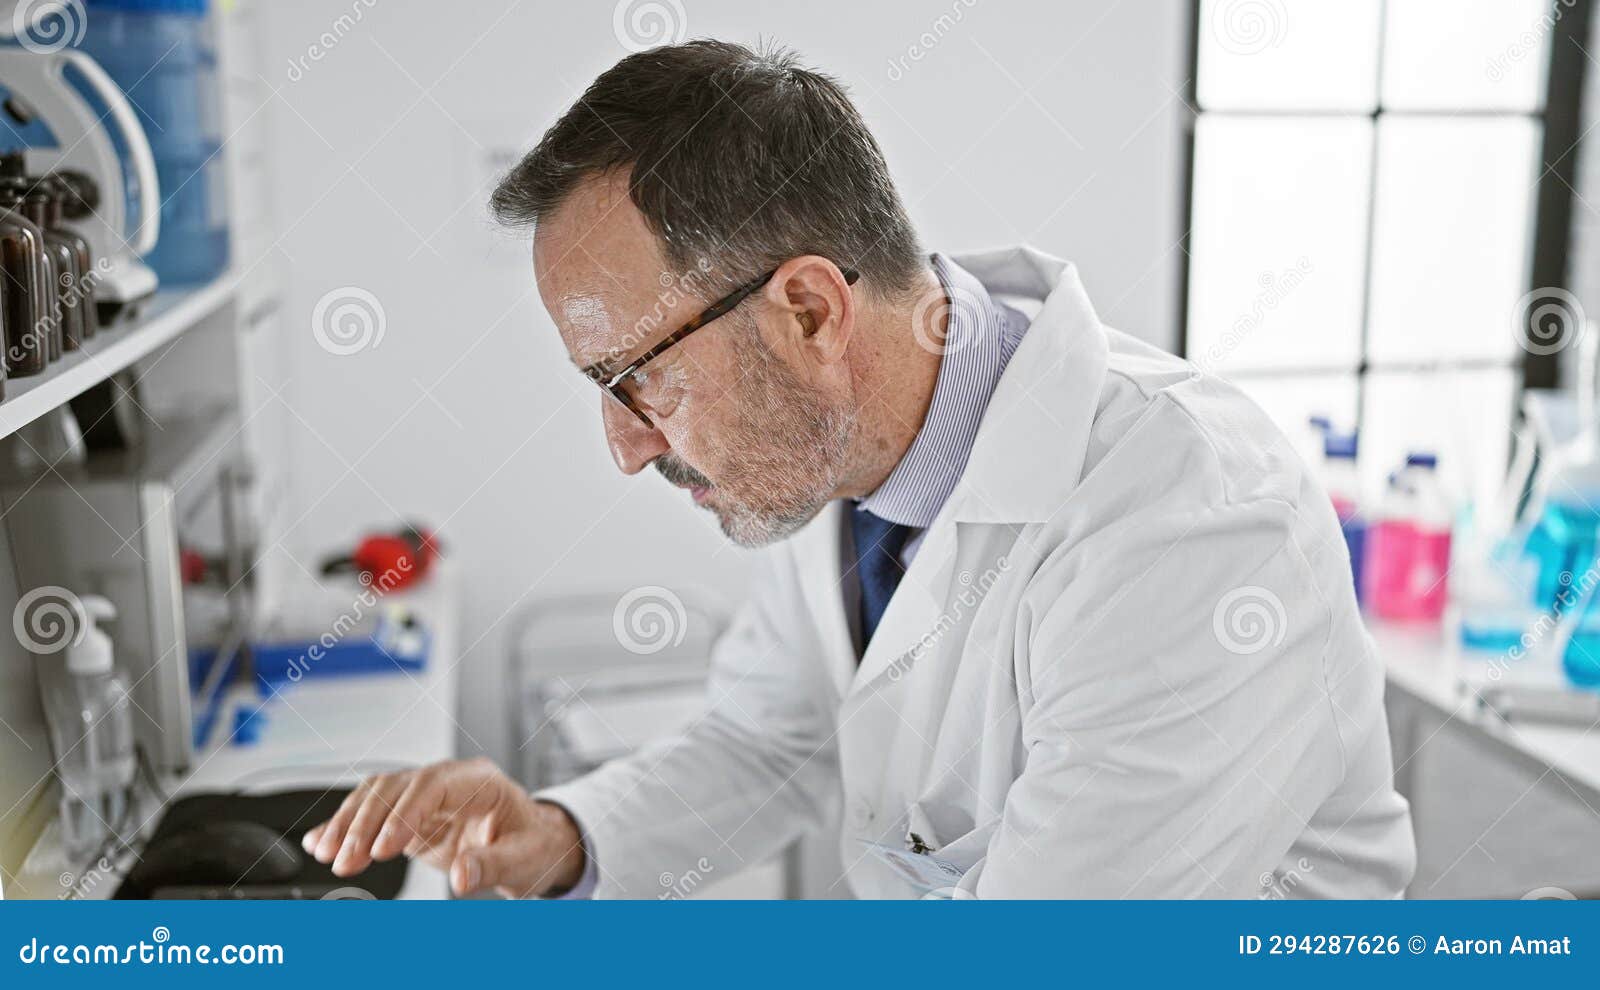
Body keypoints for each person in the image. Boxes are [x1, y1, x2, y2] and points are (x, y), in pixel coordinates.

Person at [304, 40, 1415, 899]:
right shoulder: (844, 457)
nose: (626, 444)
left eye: (639, 379)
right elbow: (771, 738)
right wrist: (560, 841)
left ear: (806, 312)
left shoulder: (1189, 525)